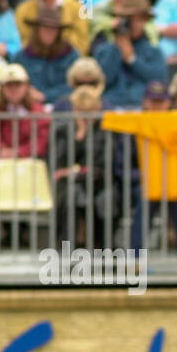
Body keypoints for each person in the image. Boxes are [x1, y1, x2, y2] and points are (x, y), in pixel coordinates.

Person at [49, 82, 112, 248]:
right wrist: (79, 136)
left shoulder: (107, 130)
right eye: (82, 113)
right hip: (70, 184)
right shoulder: (63, 130)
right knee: (72, 196)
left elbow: (104, 162)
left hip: (100, 182)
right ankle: (67, 249)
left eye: (90, 113)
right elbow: (58, 163)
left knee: (106, 199)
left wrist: (74, 170)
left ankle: (104, 249)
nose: (86, 118)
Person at [94, 0, 167, 107]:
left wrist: (132, 59)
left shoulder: (154, 51)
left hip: (141, 108)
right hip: (111, 108)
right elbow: (102, 81)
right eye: (129, 19)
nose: (134, 24)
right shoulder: (105, 49)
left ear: (145, 21)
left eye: (138, 19)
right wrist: (117, 46)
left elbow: (158, 82)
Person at [0, 62, 50, 174]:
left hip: (30, 164)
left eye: (18, 85)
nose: (13, 89)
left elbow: (41, 141)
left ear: (26, 86)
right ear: (2, 88)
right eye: (9, 85)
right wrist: (0, 150)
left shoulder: (38, 112)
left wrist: (18, 152)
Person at [13, 4, 78, 104]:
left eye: (53, 29)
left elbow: (76, 85)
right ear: (37, 30)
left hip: (64, 108)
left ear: (59, 32)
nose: (49, 32)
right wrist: (27, 93)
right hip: (30, 107)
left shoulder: (71, 55)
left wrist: (46, 96)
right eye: (45, 28)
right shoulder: (22, 57)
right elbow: (13, 82)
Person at [15, 0, 90, 56]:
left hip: (67, 61)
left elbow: (83, 45)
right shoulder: (23, 11)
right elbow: (23, 44)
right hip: (35, 63)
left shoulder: (77, 9)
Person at [89, 0, 161, 50]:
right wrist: (112, 23)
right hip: (111, 45)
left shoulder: (141, 5)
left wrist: (137, 27)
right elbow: (92, 19)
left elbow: (152, 28)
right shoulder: (102, 6)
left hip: (139, 46)